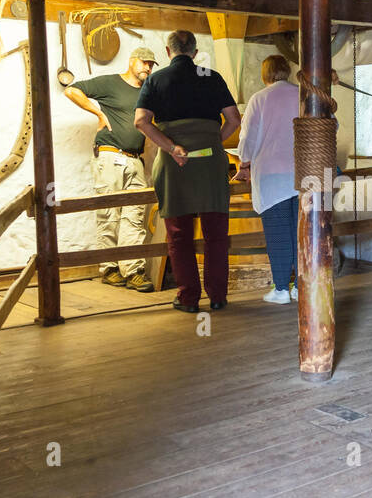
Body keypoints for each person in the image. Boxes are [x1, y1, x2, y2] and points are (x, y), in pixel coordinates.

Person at [134, 30, 241, 312]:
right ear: (195, 53)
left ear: (168, 53)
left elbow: (141, 122)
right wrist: (212, 142)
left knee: (179, 234)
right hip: (209, 160)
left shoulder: (155, 79)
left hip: (174, 160)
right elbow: (233, 118)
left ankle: (188, 298)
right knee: (215, 232)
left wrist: (171, 147)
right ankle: (218, 296)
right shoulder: (211, 76)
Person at [63, 45, 157, 293]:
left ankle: (133, 271)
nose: (147, 67)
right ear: (132, 61)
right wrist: (98, 112)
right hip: (110, 156)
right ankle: (110, 269)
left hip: (136, 160)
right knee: (109, 214)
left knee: (135, 216)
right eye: (144, 62)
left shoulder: (148, 92)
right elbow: (71, 90)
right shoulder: (111, 83)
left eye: (151, 64)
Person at [236, 55, 300, 304]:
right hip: (303, 174)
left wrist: (243, 160)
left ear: (265, 75)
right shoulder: (302, 94)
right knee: (300, 233)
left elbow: (248, 140)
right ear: (287, 71)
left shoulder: (259, 99)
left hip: (272, 178)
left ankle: (282, 289)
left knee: (278, 234)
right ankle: (301, 287)